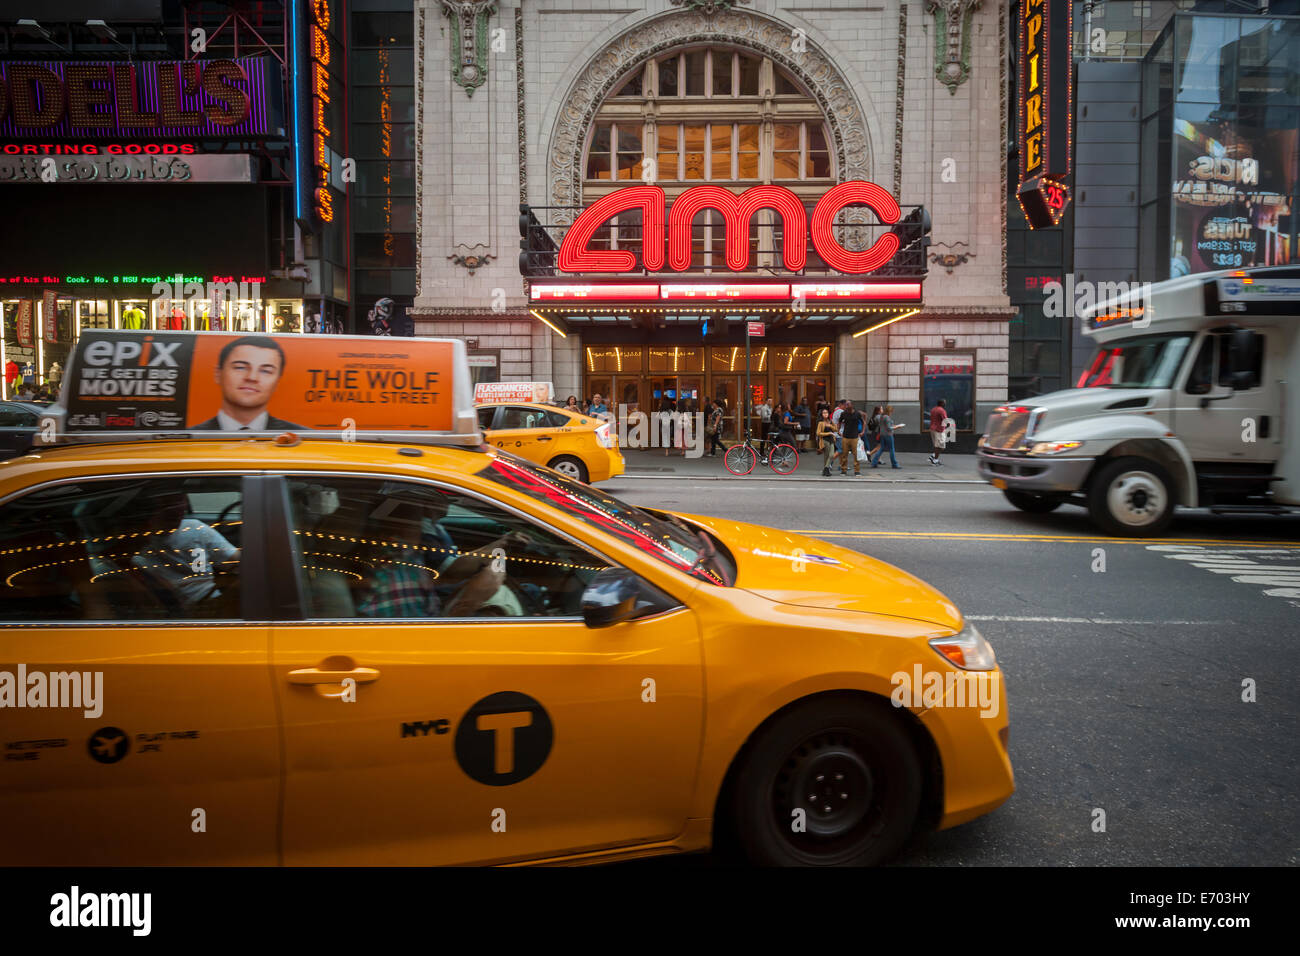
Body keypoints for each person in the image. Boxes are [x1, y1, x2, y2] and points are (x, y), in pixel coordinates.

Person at [191, 335, 305, 431]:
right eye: (240, 367)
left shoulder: (303, 437)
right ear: (218, 374)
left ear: (277, 382)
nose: (252, 377)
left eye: (265, 371)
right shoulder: (186, 438)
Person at [837, 400, 865, 476]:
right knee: (844, 455)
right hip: (845, 437)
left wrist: (862, 431)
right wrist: (838, 430)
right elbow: (839, 422)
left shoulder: (857, 414)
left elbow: (863, 422)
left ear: (852, 405)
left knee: (856, 455)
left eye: (848, 405)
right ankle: (843, 470)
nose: (846, 406)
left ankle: (857, 471)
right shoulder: (843, 413)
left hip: (855, 437)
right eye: (846, 405)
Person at [870, 404, 901, 469]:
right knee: (892, 449)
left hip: (882, 435)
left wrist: (894, 425)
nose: (892, 412)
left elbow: (885, 426)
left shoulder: (881, 416)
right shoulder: (887, 417)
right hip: (888, 435)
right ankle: (894, 464)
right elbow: (889, 428)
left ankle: (874, 463)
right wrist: (898, 427)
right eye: (891, 411)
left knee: (881, 449)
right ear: (890, 411)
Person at [816, 407, 838, 477]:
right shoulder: (820, 423)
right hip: (824, 440)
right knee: (826, 456)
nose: (825, 414)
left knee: (831, 455)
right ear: (821, 414)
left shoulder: (830, 421)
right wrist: (829, 433)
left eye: (827, 413)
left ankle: (825, 468)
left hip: (831, 440)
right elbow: (818, 433)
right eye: (824, 413)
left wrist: (830, 426)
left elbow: (836, 429)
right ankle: (826, 471)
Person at [928, 397, 949, 465]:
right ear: (942, 403)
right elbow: (946, 421)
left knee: (937, 445)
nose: (946, 404)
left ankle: (933, 456)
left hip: (932, 429)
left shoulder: (933, 409)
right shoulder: (942, 410)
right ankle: (935, 460)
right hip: (939, 430)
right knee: (941, 446)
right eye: (945, 402)